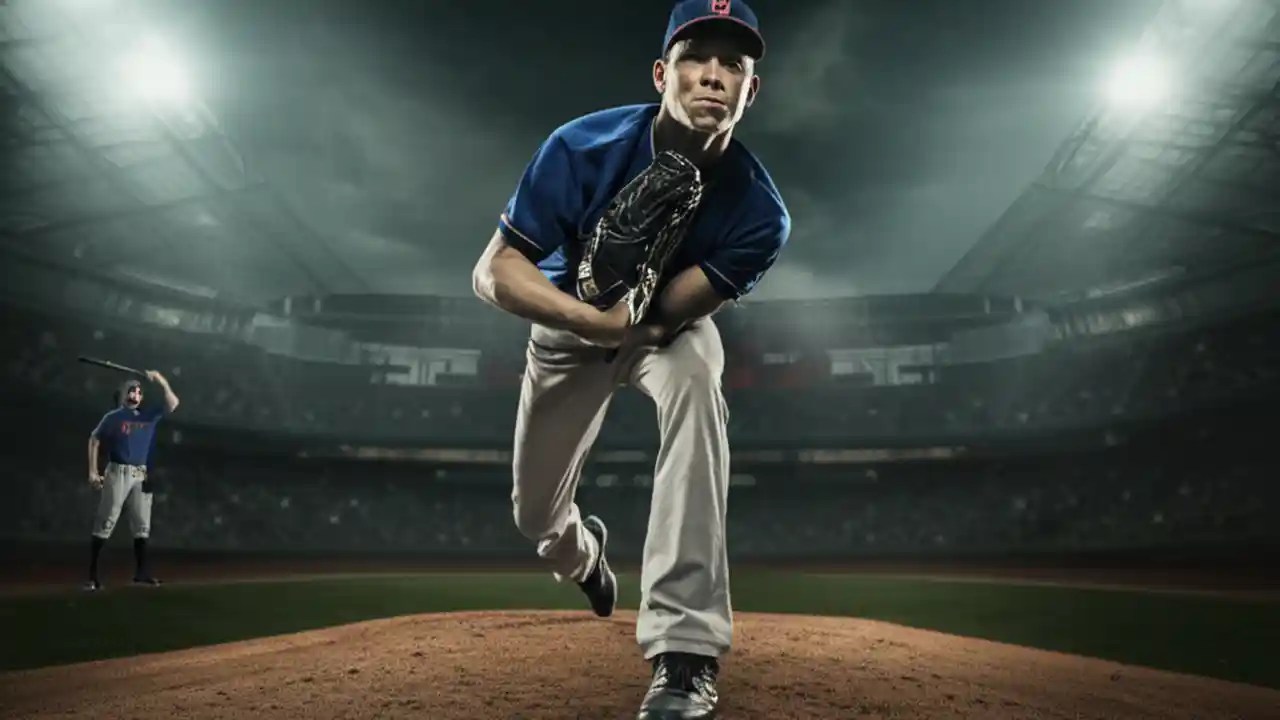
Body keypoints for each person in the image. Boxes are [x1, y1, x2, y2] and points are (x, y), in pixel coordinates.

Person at [471, 2, 789, 717]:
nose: (713, 75)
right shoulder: (584, 147)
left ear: (750, 89)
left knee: (699, 378)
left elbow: (671, 316)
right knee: (534, 516)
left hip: (659, 333)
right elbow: (493, 271)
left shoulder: (761, 216)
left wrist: (632, 319)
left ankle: (686, 650)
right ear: (661, 74)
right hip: (564, 329)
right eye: (695, 58)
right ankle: (584, 558)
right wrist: (589, 317)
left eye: (732, 64)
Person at [84, 370, 180, 591]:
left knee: (142, 525)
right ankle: (92, 575)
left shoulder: (147, 415)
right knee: (106, 520)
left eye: (139, 391)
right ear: (122, 394)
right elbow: (94, 439)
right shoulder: (113, 417)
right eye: (132, 390)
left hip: (141, 473)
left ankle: (141, 573)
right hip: (119, 472)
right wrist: (92, 471)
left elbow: (173, 402)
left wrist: (160, 379)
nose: (136, 393)